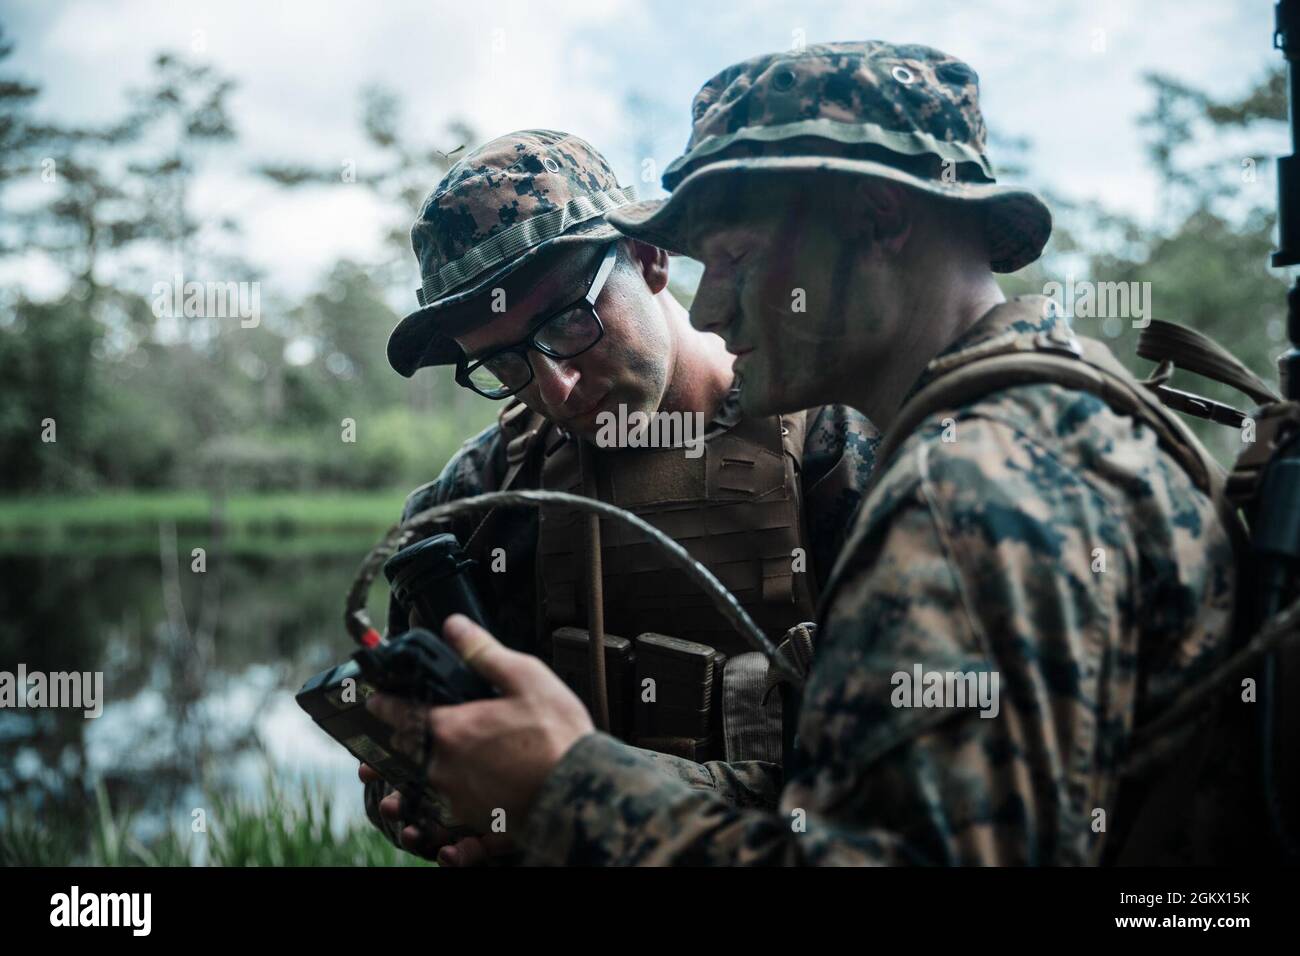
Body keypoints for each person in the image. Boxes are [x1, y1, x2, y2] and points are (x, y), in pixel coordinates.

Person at [366, 42, 1244, 865]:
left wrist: (563, 790)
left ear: (878, 215)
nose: (713, 309)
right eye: (506, 364)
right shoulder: (1059, 412)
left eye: (736, 255)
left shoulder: (969, 482)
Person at [363, 128, 878, 864]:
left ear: (650, 255)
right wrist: (429, 795)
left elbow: (902, 810)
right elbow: (411, 743)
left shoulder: (842, 453)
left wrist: (562, 798)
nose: (555, 389)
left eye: (571, 323)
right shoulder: (477, 502)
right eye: (505, 363)